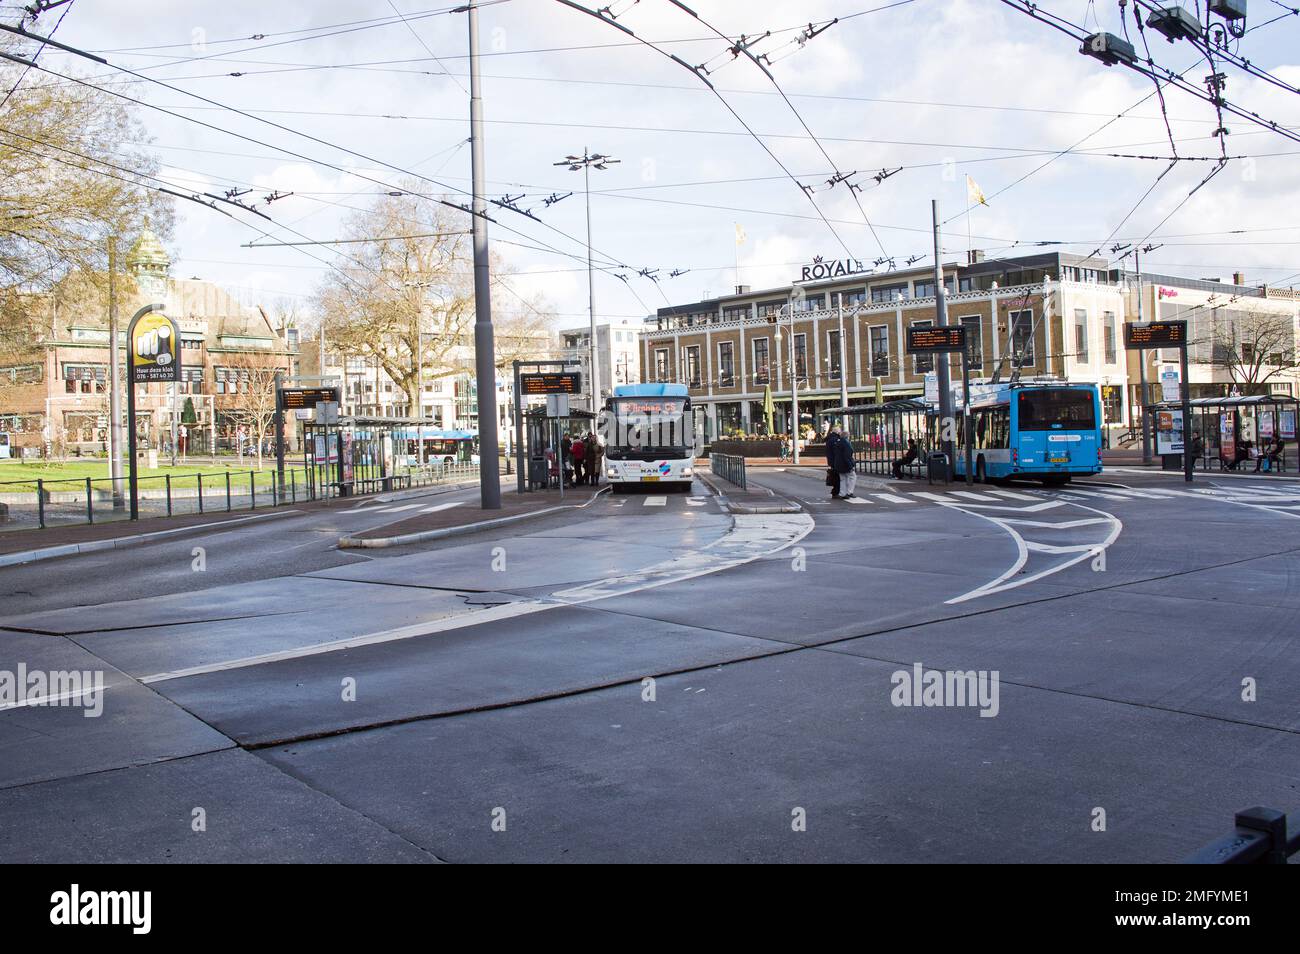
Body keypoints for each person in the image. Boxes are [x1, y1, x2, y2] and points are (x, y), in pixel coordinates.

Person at [831, 425, 857, 499]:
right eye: (848, 436)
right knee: (853, 476)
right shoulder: (846, 444)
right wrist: (851, 466)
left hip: (838, 464)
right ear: (847, 436)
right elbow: (847, 456)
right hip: (845, 464)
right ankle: (849, 492)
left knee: (843, 479)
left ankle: (842, 493)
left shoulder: (838, 443)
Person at [824, 428, 842, 499]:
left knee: (835, 476)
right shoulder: (835, 439)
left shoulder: (829, 439)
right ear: (837, 432)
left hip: (831, 460)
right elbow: (836, 452)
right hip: (835, 461)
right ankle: (835, 492)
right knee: (837, 477)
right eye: (840, 432)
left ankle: (835, 491)